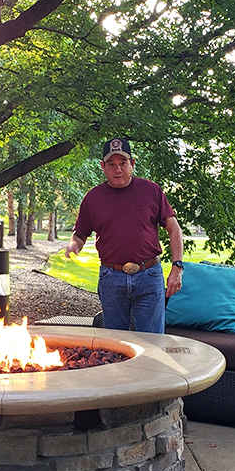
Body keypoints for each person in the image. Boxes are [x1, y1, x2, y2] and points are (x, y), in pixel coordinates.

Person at [65, 138, 183, 334]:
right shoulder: (93, 198)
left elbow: (174, 229)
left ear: (132, 164)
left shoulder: (151, 191)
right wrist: (73, 245)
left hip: (149, 275)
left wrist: (177, 267)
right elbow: (80, 234)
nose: (117, 169)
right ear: (103, 166)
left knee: (153, 342)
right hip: (111, 278)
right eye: (111, 164)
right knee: (115, 343)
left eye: (123, 163)